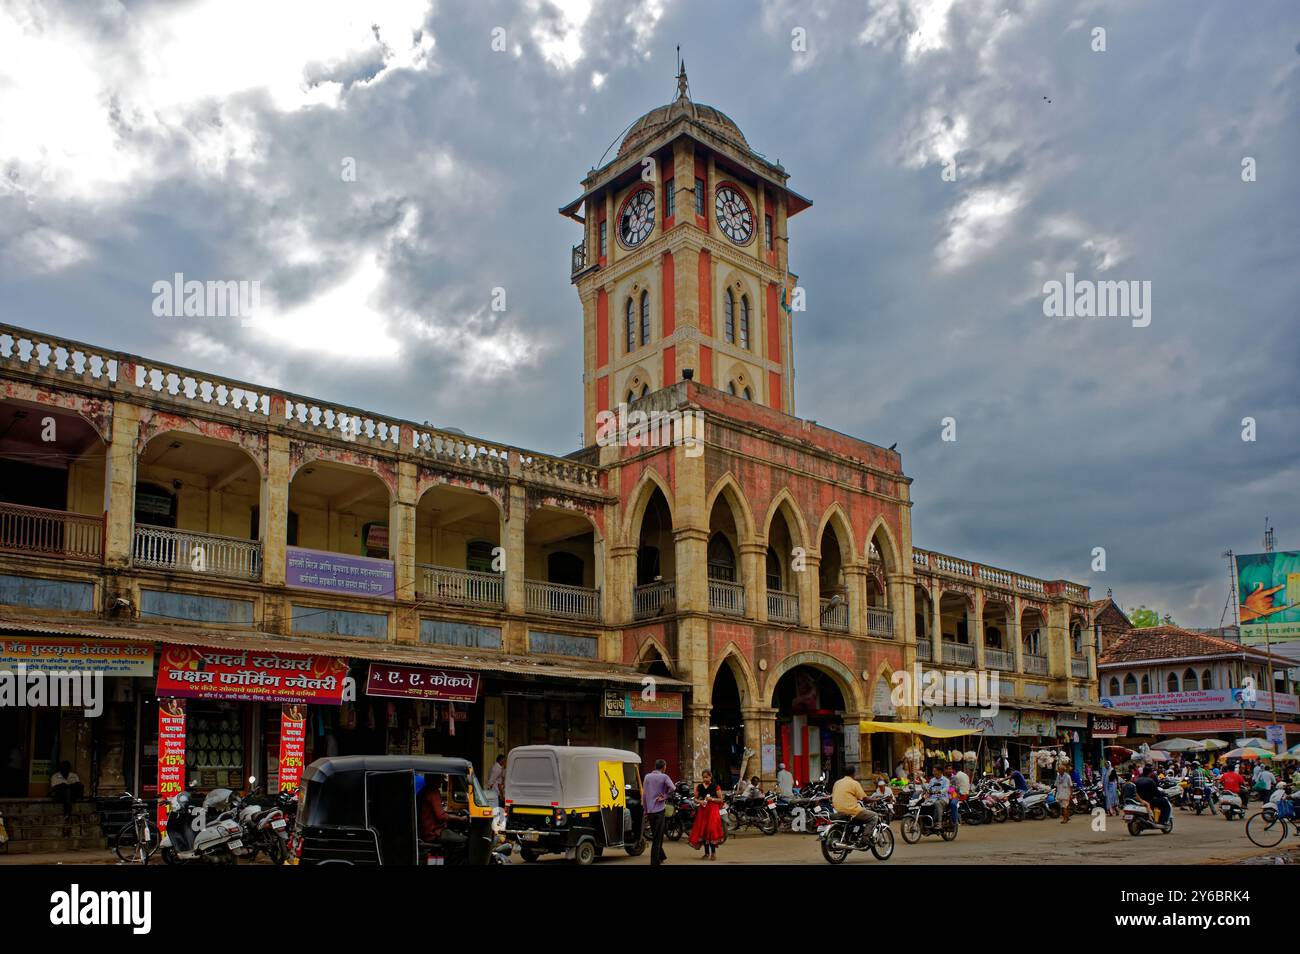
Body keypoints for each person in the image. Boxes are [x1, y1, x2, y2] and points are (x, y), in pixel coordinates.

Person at [417, 774, 467, 858]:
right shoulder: (433, 792)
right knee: (464, 841)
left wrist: (451, 814)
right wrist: (460, 818)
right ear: (434, 779)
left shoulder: (424, 791)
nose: (442, 781)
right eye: (440, 778)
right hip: (434, 833)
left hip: (426, 831)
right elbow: (441, 816)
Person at [831, 766, 879, 841]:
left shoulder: (837, 783)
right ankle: (865, 838)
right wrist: (875, 800)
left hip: (838, 810)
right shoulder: (854, 783)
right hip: (851, 810)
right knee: (874, 816)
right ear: (854, 773)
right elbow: (864, 799)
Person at [642, 759, 675, 866]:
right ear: (663, 767)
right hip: (659, 810)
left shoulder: (647, 777)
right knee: (658, 837)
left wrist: (646, 810)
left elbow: (644, 795)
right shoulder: (664, 777)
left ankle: (662, 856)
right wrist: (665, 796)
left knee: (657, 835)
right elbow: (672, 788)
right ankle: (654, 861)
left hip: (650, 811)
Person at [690, 769, 725, 860]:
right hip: (703, 811)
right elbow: (695, 798)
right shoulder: (699, 787)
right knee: (704, 830)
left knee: (711, 830)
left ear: (710, 777)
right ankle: (706, 853)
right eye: (704, 777)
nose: (705, 779)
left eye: (707, 777)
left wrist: (712, 799)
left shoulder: (715, 786)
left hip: (713, 811)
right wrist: (700, 801)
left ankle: (713, 853)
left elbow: (721, 800)